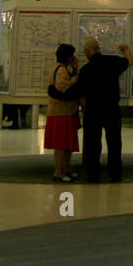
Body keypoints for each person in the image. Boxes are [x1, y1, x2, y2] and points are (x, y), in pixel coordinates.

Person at [51, 38, 131, 182]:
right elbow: (128, 61)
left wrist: (55, 93)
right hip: (112, 109)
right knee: (114, 142)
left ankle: (93, 174)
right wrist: (125, 50)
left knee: (93, 143)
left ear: (88, 52)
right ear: (98, 49)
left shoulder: (86, 70)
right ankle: (115, 173)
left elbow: (76, 91)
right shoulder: (113, 62)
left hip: (93, 111)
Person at [44, 44, 80, 182]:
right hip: (60, 112)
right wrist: (74, 78)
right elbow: (63, 86)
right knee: (61, 145)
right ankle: (59, 172)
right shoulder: (61, 70)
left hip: (65, 111)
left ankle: (65, 169)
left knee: (66, 144)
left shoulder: (60, 68)